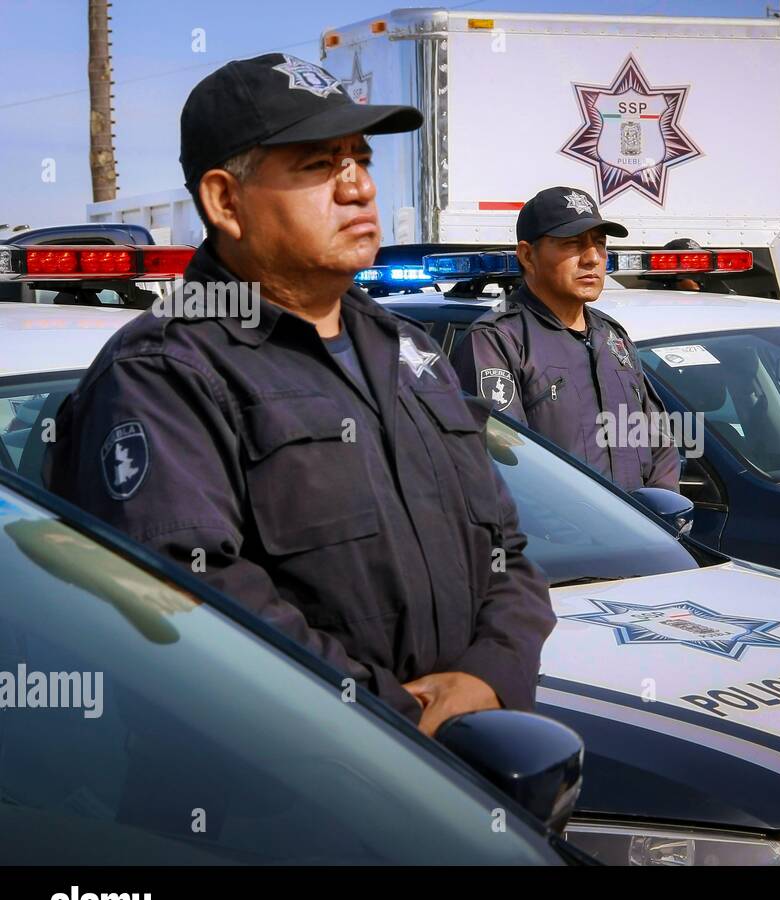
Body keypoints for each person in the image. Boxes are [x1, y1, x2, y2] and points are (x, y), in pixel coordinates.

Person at [44, 53, 555, 736]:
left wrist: (490, 677)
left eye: (361, 161)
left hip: (462, 777)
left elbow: (508, 549)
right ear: (226, 201)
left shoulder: (410, 352)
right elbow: (188, 605)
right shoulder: (163, 374)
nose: (359, 189)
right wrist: (402, 720)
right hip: (285, 809)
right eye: (319, 166)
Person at [451, 186, 680, 492]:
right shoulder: (498, 341)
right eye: (572, 244)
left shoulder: (613, 338)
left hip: (640, 535)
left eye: (599, 243)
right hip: (558, 539)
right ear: (527, 255)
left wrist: (658, 516)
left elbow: (659, 441)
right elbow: (507, 463)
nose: (592, 258)